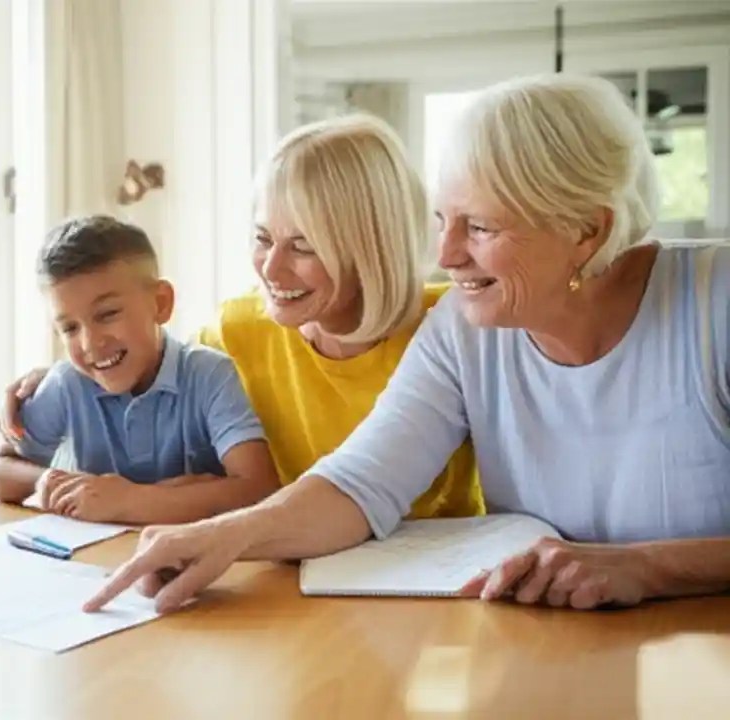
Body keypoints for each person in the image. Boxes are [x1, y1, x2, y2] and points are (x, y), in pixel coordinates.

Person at [85, 73, 730, 615]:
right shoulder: (462, 328)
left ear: (587, 230)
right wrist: (221, 537)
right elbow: (359, 484)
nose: (446, 255)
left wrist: (647, 567)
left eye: (479, 227)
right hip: (551, 645)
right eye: (444, 221)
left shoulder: (715, 302)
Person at [0, 114, 482, 522]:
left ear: (371, 249)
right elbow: (149, 357)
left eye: (303, 246)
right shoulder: (239, 330)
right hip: (288, 564)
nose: (271, 269)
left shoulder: (458, 326)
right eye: (263, 238)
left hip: (435, 573)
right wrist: (65, 372)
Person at [0, 215, 278, 524]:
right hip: (98, 552)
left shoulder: (210, 375)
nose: (90, 343)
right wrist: (45, 480)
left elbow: (259, 489)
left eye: (107, 314)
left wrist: (129, 500)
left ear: (161, 303)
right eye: (70, 328)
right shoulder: (66, 383)